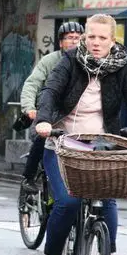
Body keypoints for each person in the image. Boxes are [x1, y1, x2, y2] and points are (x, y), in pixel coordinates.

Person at [35, 14, 127, 255]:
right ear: (85, 37)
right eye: (91, 36)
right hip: (64, 145)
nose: (95, 42)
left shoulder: (123, 66)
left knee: (107, 197)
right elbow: (50, 91)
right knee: (67, 202)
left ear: (112, 40)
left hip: (102, 145)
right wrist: (44, 120)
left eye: (102, 37)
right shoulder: (69, 61)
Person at [19, 22, 84, 193]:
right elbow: (32, 84)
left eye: (78, 38)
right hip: (48, 113)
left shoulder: (87, 61)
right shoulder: (49, 61)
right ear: (61, 42)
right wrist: (29, 108)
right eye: (70, 38)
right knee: (43, 139)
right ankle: (29, 177)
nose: (74, 42)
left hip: (75, 117)